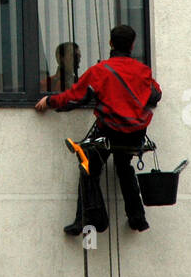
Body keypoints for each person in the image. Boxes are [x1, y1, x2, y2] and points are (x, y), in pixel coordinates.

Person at [34, 24, 161, 233]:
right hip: (135, 134)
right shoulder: (143, 71)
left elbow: (74, 97)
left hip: (110, 130)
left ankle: (89, 217)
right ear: (132, 45)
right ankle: (138, 218)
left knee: (88, 165)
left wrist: (50, 101)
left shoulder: (101, 71)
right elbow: (155, 94)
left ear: (110, 43)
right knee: (124, 166)